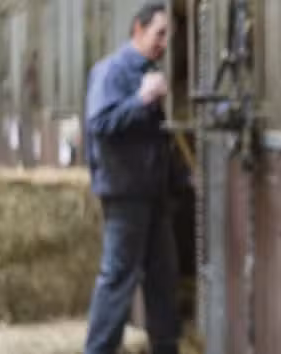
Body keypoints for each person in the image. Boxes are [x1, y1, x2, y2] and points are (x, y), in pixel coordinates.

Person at [83, 2, 187, 353]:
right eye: (159, 34)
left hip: (153, 194)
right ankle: (98, 349)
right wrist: (142, 99)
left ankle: (166, 347)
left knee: (162, 278)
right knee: (118, 279)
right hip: (125, 193)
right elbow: (99, 125)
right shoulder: (112, 71)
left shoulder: (151, 71)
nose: (163, 43)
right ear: (137, 30)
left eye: (167, 37)